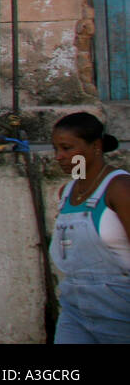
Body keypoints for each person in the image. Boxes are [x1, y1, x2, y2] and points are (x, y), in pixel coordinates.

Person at [50, 111, 130, 343]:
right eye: (56, 149)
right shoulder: (65, 193)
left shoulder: (120, 188)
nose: (58, 157)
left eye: (66, 148)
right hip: (75, 309)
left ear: (96, 146)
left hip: (121, 309)